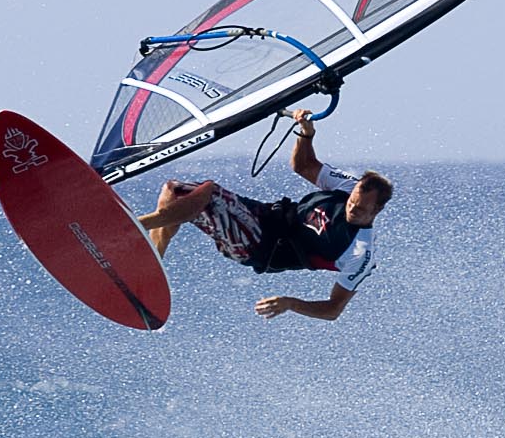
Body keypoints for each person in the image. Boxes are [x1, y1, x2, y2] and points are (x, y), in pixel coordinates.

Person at [134, 109, 390, 321]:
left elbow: (333, 310)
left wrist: (290, 303)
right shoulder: (348, 186)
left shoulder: (360, 252)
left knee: (208, 193)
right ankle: (150, 267)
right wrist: (306, 133)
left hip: (260, 247)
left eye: (359, 209)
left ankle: (134, 226)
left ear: (376, 210)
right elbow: (303, 165)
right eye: (352, 202)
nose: (351, 208)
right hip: (260, 216)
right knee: (175, 191)